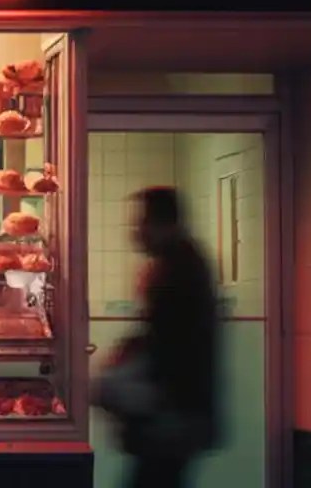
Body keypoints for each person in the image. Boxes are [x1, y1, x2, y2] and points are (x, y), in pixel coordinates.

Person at [96, 187, 221, 488]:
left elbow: (169, 343)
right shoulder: (181, 262)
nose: (135, 232)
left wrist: (118, 379)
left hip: (173, 418)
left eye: (140, 222)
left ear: (163, 224)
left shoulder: (178, 269)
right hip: (176, 416)